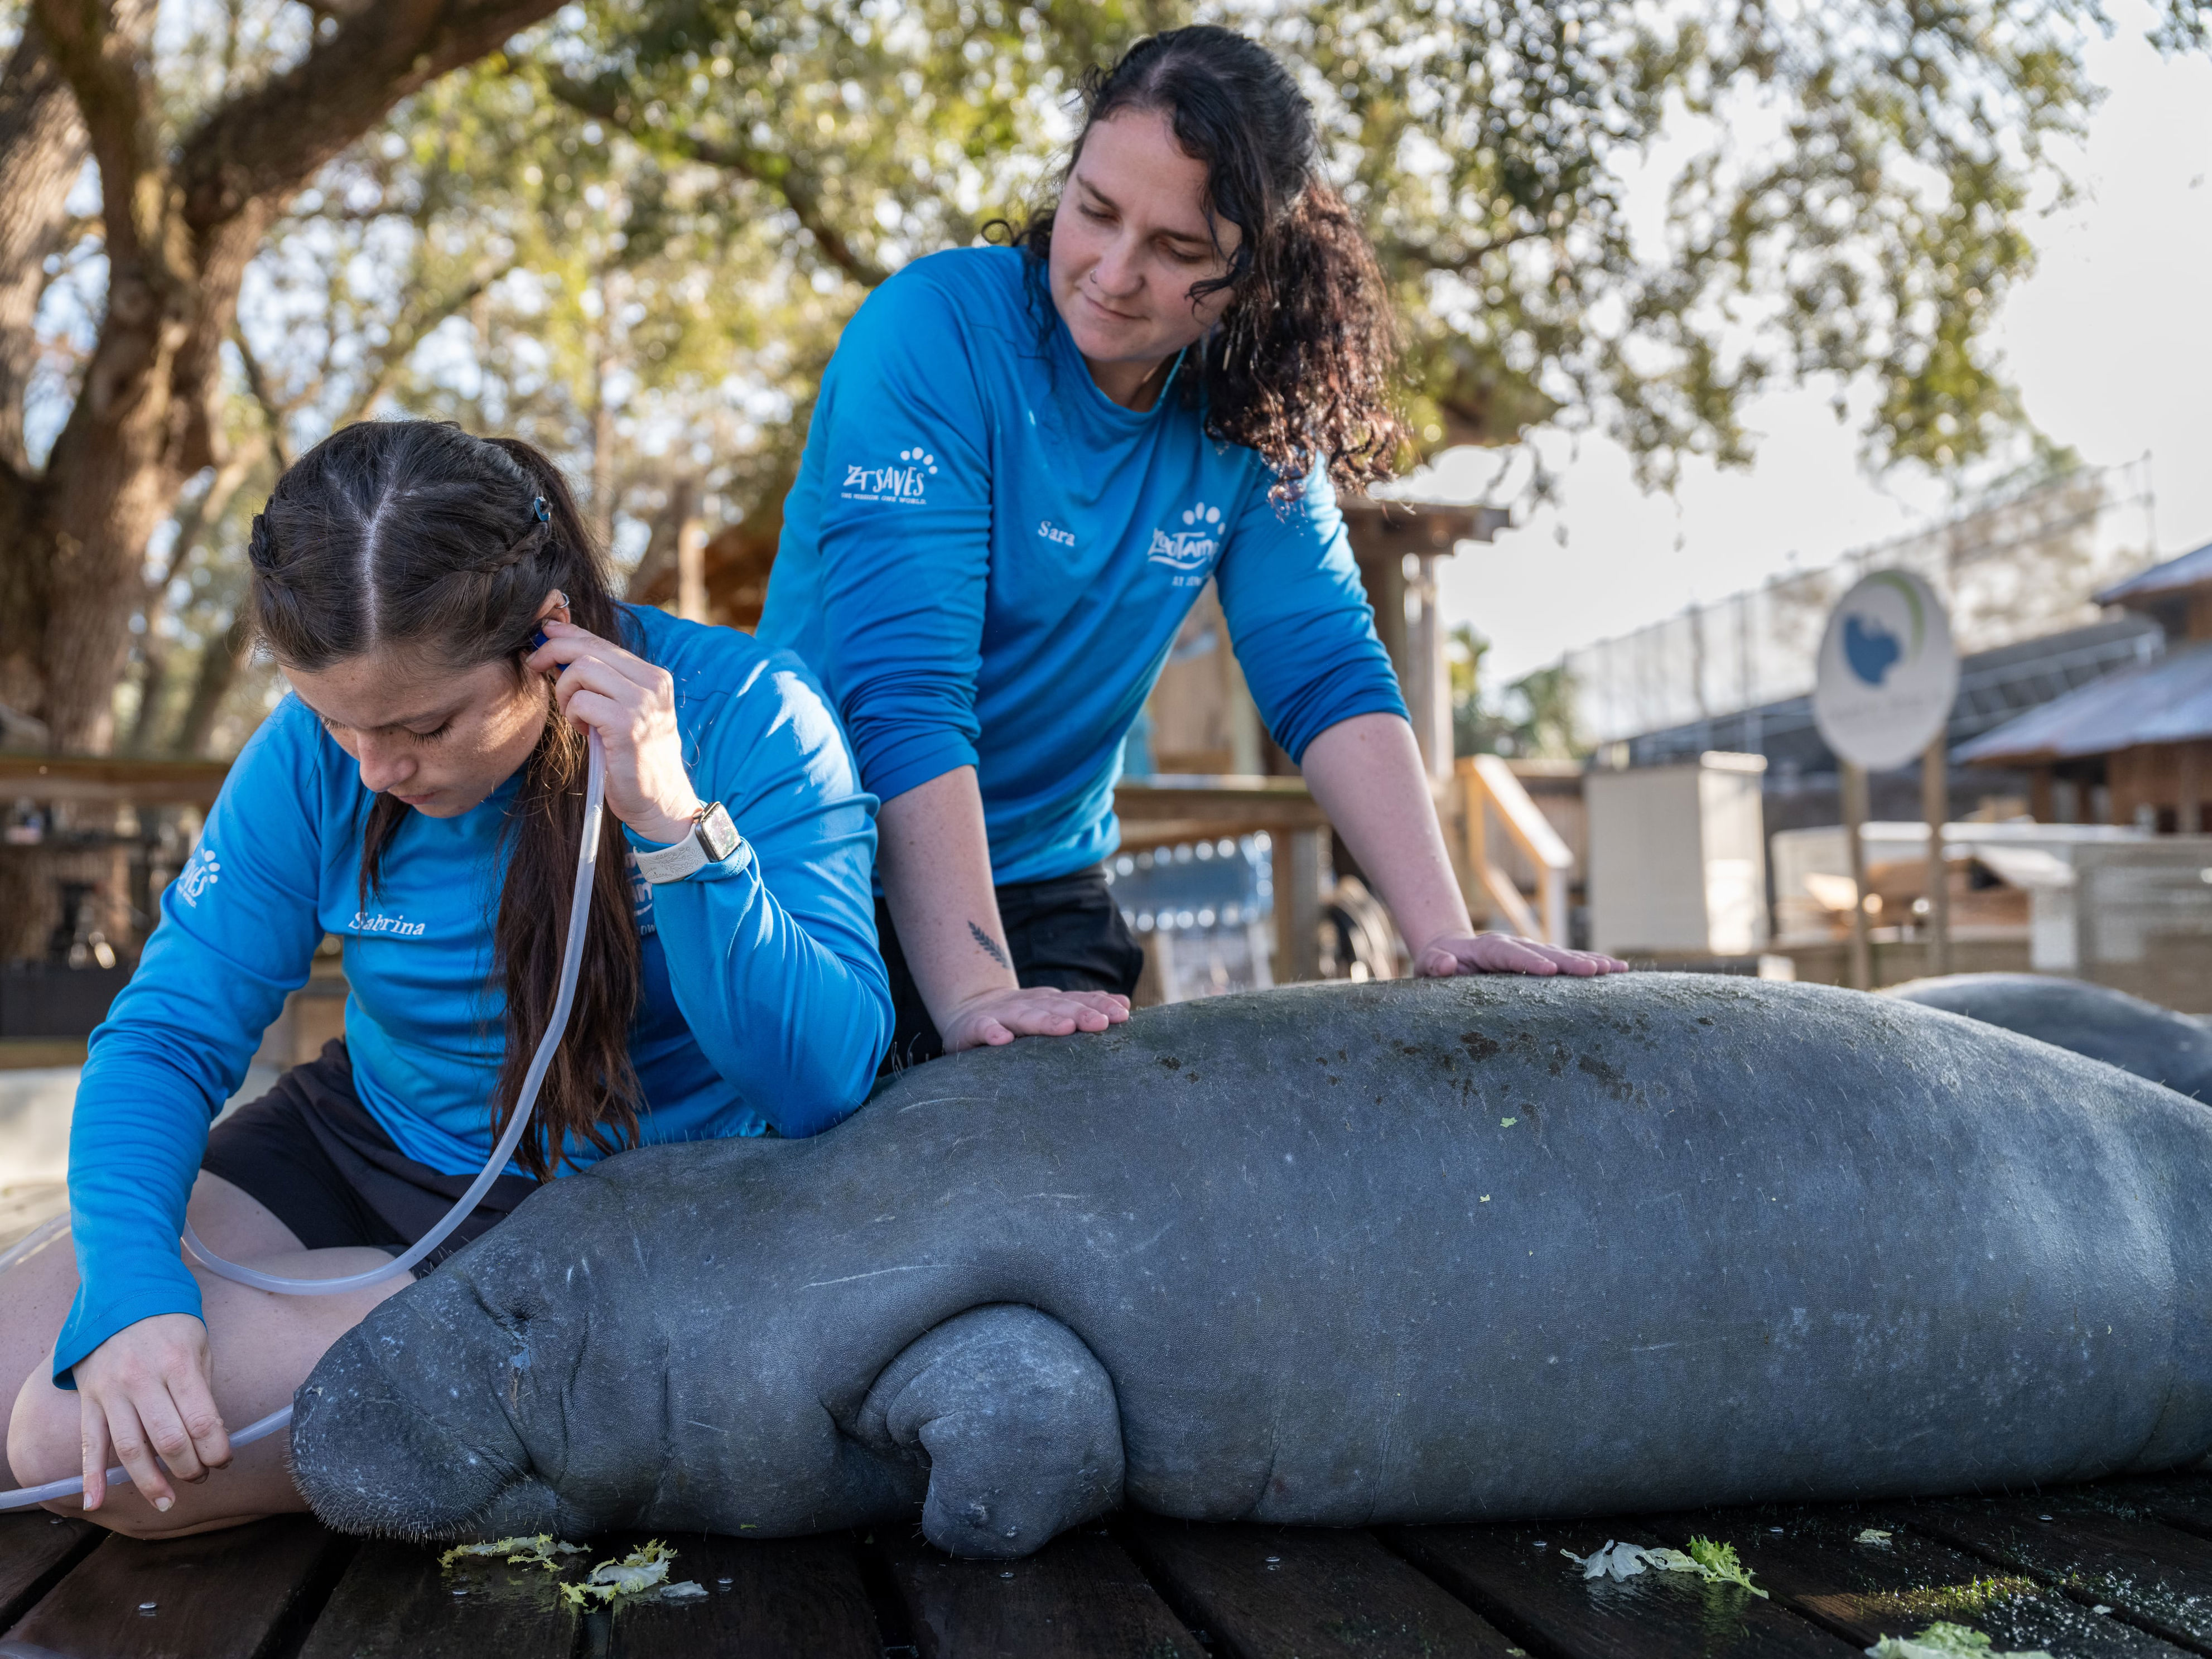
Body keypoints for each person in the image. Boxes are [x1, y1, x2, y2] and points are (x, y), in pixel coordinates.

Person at [1, 421, 891, 1537]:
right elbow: (168, 1034)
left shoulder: (755, 710)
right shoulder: (314, 757)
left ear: (548, 636)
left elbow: (825, 1083)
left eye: (423, 724)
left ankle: (563, 1428)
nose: (377, 768)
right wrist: (136, 1293)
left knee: (64, 1438)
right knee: (29, 1374)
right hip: (367, 1139)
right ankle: (423, 1386)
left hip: (611, 1214)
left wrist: (672, 823)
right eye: (339, 721)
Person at [758, 25, 1624, 1070]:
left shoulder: (1251, 411)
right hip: (819, 859)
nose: (1113, 273)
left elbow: (1325, 668)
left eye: (1176, 252)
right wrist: (979, 992)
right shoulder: (931, 338)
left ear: (1252, 274)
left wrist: (1439, 933)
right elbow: (902, 693)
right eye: (1094, 212)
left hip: (1040, 876)